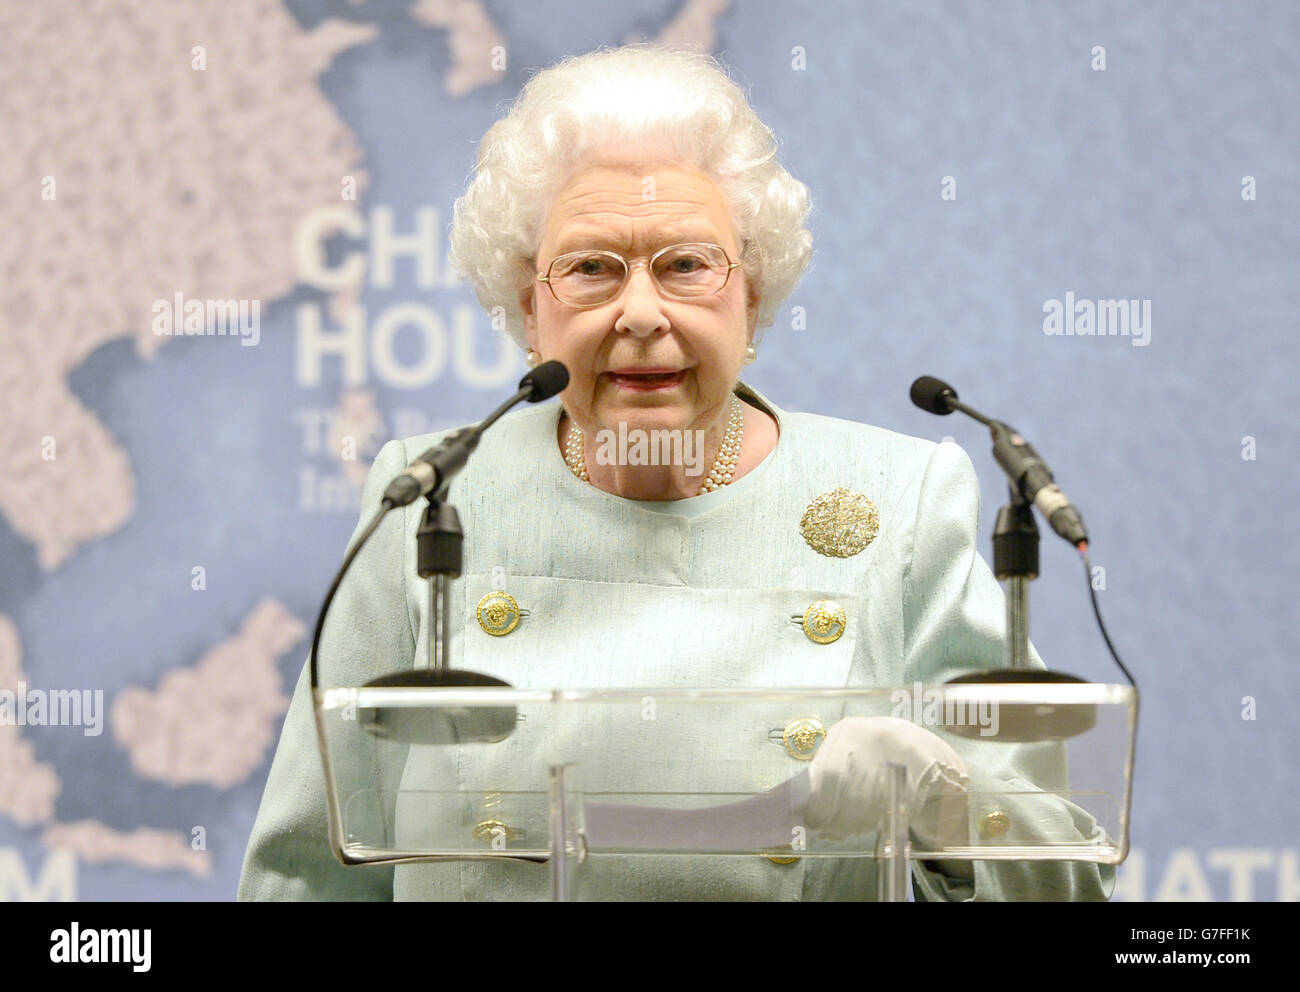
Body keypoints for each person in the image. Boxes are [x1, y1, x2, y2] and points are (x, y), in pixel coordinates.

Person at [238, 44, 1115, 901]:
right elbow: (305, 872)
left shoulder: (899, 501)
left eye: (686, 265)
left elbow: (1063, 885)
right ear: (528, 306)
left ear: (754, 293)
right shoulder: (432, 494)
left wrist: (943, 797)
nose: (643, 314)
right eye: (591, 269)